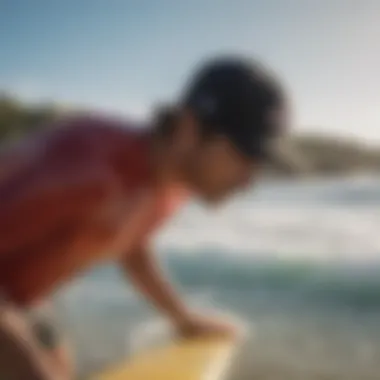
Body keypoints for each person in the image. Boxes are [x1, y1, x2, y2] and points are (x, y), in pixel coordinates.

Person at [0, 55, 291, 379]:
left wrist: (183, 320)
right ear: (189, 127)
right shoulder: (86, 168)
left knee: (58, 366)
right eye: (245, 156)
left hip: (23, 297)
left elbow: (131, 240)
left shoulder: (172, 184)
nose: (249, 181)